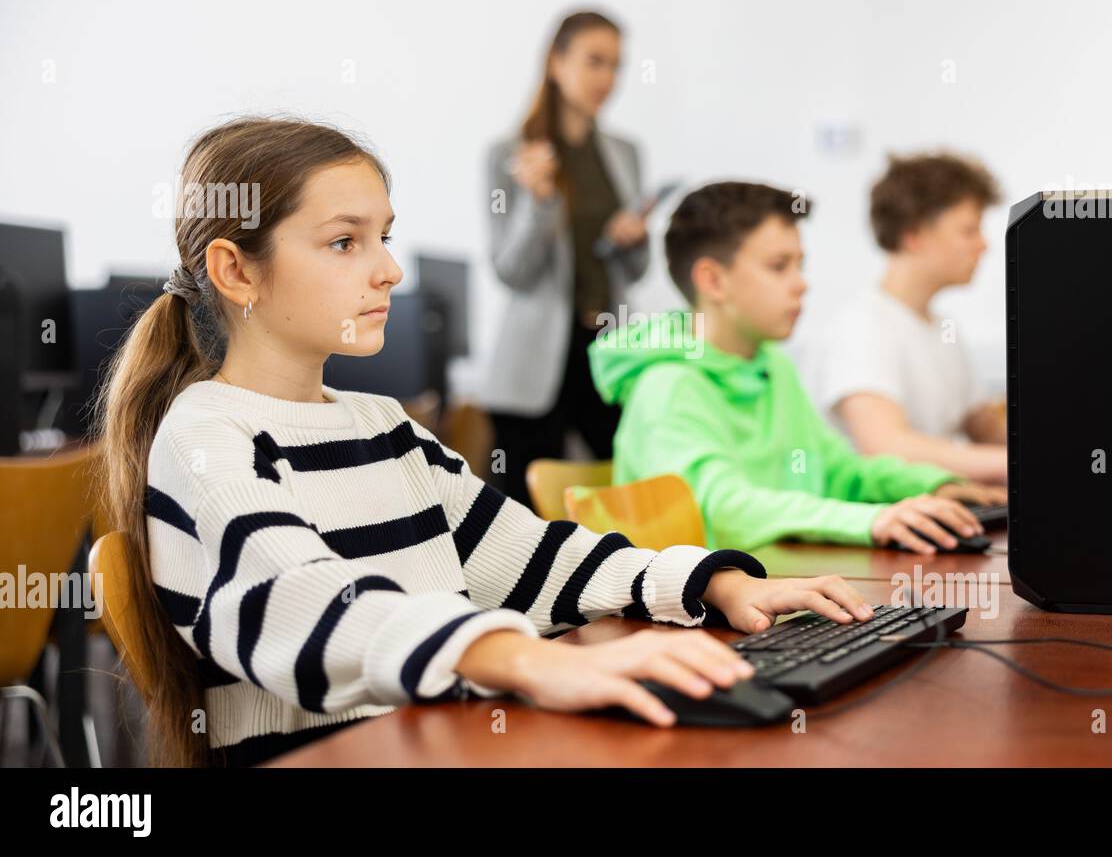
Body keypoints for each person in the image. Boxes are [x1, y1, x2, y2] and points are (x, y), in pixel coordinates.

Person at [92, 117, 876, 767]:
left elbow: (534, 559)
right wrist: (530, 662)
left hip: (437, 741)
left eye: (384, 238)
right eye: (344, 242)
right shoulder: (206, 436)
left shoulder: (383, 427)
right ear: (235, 271)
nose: (390, 270)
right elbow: (305, 605)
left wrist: (707, 584)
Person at [588, 181, 1004, 555]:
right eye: (778, 266)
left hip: (782, 584)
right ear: (713, 281)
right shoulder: (668, 386)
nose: (801, 283)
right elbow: (724, 509)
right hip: (692, 621)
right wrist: (870, 521)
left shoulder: (772, 368)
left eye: (799, 264)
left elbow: (840, 471)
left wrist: (933, 487)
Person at [482, 9, 655, 509]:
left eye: (616, 65)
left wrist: (633, 240)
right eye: (594, 61)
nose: (607, 79)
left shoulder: (625, 152)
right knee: (522, 514)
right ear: (556, 62)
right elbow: (510, 271)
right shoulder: (509, 154)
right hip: (535, 360)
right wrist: (537, 204)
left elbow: (637, 273)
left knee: (624, 497)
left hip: (607, 347)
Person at [794, 152, 1009, 484]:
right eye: (969, 230)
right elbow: (886, 446)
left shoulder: (942, 329)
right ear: (914, 235)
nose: (984, 245)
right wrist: (1015, 463)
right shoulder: (861, 327)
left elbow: (984, 427)